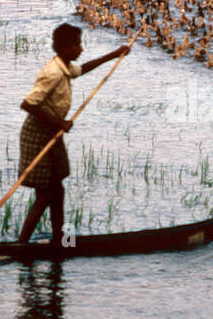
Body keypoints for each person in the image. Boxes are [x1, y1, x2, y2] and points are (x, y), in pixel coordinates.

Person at [15, 23, 130, 246]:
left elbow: (83, 69)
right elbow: (28, 104)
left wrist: (115, 55)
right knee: (45, 193)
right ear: (65, 48)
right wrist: (60, 122)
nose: (81, 49)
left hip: (52, 132)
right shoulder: (53, 73)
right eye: (78, 44)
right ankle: (21, 246)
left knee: (57, 189)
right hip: (37, 134)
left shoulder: (65, 66)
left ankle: (62, 240)